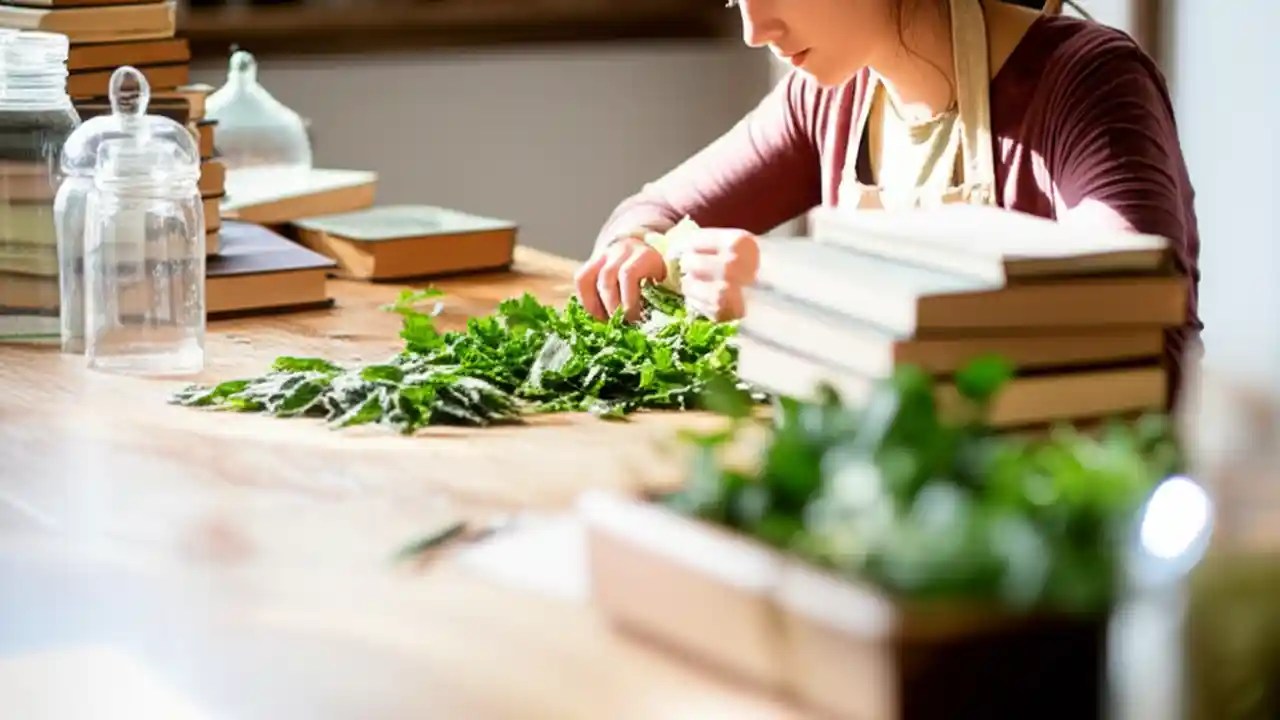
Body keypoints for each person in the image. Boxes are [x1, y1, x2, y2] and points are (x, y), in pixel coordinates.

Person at [573, 0, 1201, 401]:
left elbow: (1142, 350)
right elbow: (646, 215)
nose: (753, 28)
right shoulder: (827, 100)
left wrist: (789, 299)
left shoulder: (1087, 84)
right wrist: (646, 257)